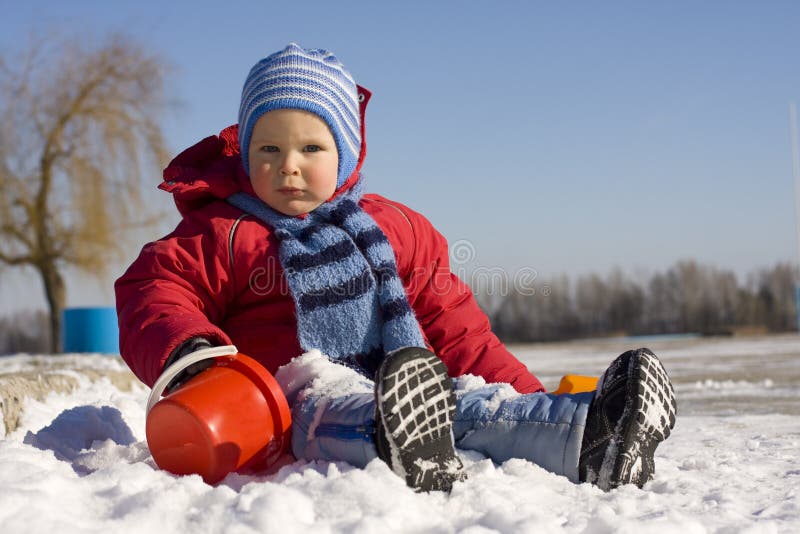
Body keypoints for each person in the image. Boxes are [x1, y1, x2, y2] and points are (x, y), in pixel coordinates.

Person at [116, 43, 676, 493]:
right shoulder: (225, 231)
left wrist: (523, 389)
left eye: (311, 148)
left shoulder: (392, 229)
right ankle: (392, 435)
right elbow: (156, 287)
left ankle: (590, 433)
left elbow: (456, 325)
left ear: (346, 153)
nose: (288, 166)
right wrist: (190, 351)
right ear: (244, 154)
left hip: (408, 381)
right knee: (328, 410)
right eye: (268, 150)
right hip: (287, 402)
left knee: (472, 405)